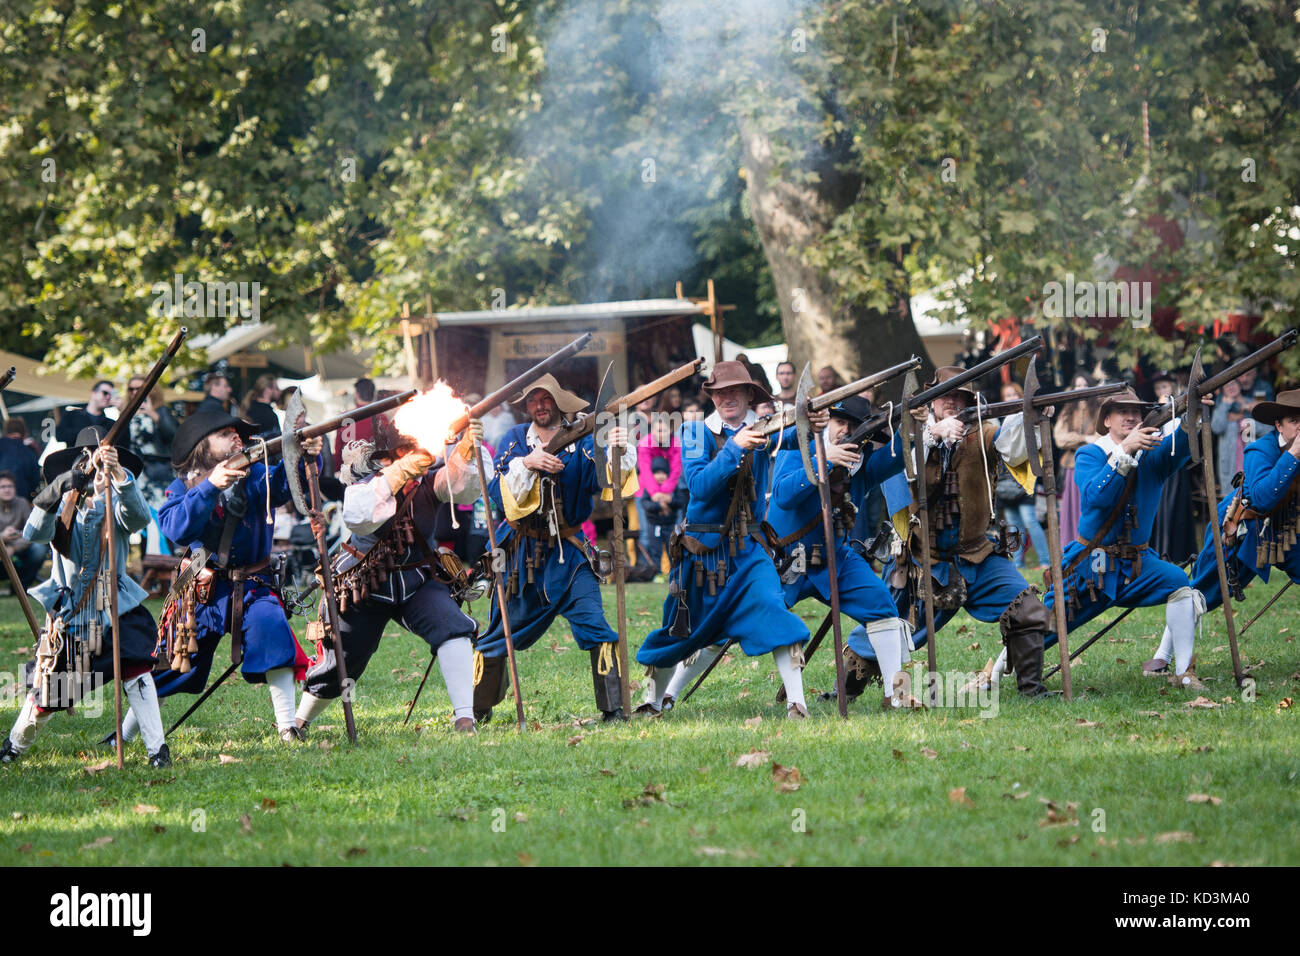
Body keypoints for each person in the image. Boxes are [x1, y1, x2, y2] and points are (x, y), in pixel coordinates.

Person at [847, 366, 1055, 700]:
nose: (953, 402)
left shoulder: (985, 433)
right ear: (931, 400)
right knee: (885, 629)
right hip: (920, 559)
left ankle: (1032, 690)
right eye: (946, 395)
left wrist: (1029, 416)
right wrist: (933, 435)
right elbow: (904, 468)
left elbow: (1013, 443)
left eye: (960, 395)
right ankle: (844, 691)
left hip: (978, 555)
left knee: (1028, 610)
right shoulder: (912, 434)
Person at [635, 361, 825, 718]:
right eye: (720, 392)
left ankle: (797, 703)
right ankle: (653, 700)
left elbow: (800, 445)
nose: (726, 398)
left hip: (749, 552)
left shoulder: (769, 429)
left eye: (734, 391)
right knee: (679, 628)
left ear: (749, 394)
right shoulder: (694, 433)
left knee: (773, 609)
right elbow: (700, 486)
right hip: (701, 552)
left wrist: (812, 427)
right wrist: (735, 447)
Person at [121, 410, 323, 744]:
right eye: (225, 433)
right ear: (203, 446)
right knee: (172, 662)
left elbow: (288, 486)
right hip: (202, 587)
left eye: (237, 433)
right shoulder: (184, 485)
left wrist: (303, 456)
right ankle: (123, 737)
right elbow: (176, 529)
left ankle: (287, 728)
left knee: (272, 631)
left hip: (255, 584)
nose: (237, 438)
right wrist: (210, 487)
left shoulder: (257, 473)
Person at [294, 420, 487, 735]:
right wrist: (401, 472)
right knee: (343, 660)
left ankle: (465, 719)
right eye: (408, 451)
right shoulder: (365, 482)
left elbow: (465, 487)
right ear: (390, 456)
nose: (420, 455)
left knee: (453, 628)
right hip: (364, 585)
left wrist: (467, 449)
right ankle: (299, 722)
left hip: (417, 581)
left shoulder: (431, 480)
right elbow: (359, 518)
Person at [472, 374, 636, 722]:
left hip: (572, 554)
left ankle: (614, 709)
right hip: (522, 557)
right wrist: (529, 463)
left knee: (597, 626)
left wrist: (619, 446)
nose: (540, 406)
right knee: (497, 636)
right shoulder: (514, 440)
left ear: (559, 403)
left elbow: (607, 480)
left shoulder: (586, 438)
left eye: (546, 399)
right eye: (533, 400)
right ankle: (477, 710)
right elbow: (496, 492)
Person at [1, 431, 169, 767]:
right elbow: (33, 533)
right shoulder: (61, 510)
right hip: (73, 617)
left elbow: (139, 517)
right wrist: (57, 488)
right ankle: (14, 747)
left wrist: (119, 474)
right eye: (93, 469)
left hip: (119, 607)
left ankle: (158, 751)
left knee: (138, 670)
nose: (99, 476)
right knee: (51, 694)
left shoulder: (117, 507)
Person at [1032, 388, 1208, 690]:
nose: (1131, 416)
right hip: (1089, 565)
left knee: (1179, 583)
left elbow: (1184, 445)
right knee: (1041, 626)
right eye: (1122, 411)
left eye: (1136, 412)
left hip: (1137, 563)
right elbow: (1096, 499)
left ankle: (1184, 673)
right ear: (1107, 420)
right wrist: (1125, 451)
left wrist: (1195, 412)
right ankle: (992, 677)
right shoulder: (1089, 454)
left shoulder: (1153, 454)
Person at [767, 395, 917, 709]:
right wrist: (824, 459)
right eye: (840, 422)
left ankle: (896, 694)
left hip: (834, 558)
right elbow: (782, 496)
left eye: (853, 426)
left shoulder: (862, 466)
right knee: (765, 615)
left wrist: (914, 418)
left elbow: (899, 454)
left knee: (882, 606)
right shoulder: (799, 448)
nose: (845, 431)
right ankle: (796, 703)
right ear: (829, 422)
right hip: (785, 560)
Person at [1167, 390, 1300, 672]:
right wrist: (1295, 454)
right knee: (1204, 591)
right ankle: (1163, 657)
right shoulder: (1259, 450)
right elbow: (1262, 498)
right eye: (1294, 420)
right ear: (1278, 425)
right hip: (1242, 531)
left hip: (1290, 534)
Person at [996, 382, 1050, 569]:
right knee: (1013, 524)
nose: (1011, 398)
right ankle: (1017, 563)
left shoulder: (1026, 417)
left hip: (1026, 475)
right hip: (1006, 479)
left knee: (1029, 520)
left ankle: (1044, 561)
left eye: (1014, 394)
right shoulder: (1000, 423)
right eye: (1007, 395)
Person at [1148, 370, 1199, 565]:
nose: (1162, 390)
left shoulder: (1182, 412)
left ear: (1173, 387)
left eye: (1165, 386)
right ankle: (1158, 552)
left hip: (1177, 472)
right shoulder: (1153, 413)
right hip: (1159, 470)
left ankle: (1178, 554)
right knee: (1158, 512)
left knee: (1177, 513)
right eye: (1158, 388)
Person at [1053, 373, 1099, 547]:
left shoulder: (1099, 409)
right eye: (1078, 385)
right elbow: (1059, 438)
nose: (1081, 389)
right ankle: (1072, 545)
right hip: (1071, 465)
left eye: (1084, 385)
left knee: (1087, 505)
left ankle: (1089, 543)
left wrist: (1084, 440)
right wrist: (1084, 438)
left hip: (1092, 464)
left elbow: (1100, 437)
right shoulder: (1068, 410)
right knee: (1070, 508)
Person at [122, 375, 180, 508]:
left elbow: (174, 435)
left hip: (158, 470)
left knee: (161, 510)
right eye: (131, 389)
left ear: (151, 390)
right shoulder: (127, 412)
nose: (135, 392)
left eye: (139, 388)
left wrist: (153, 414)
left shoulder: (161, 410)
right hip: (135, 472)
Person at [637, 414, 682, 578]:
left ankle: (675, 570)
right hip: (647, 492)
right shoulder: (645, 444)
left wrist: (666, 492)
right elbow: (645, 470)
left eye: (664, 430)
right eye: (658, 430)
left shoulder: (675, 443)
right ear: (653, 430)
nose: (661, 433)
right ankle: (650, 571)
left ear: (670, 430)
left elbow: (676, 469)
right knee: (647, 533)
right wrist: (656, 493)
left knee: (674, 533)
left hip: (670, 492)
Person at [0, 471, 48, 589]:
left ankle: (21, 587)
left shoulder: (22, 503)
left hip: (20, 549)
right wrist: (3, 537)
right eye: (3, 487)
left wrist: (13, 547)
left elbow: (32, 533)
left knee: (39, 549)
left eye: (10, 486)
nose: (7, 490)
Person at [55, 381, 128, 448]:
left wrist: (122, 411)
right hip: (74, 459)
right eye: (105, 393)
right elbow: (60, 435)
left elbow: (124, 442)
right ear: (93, 393)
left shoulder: (111, 423)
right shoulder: (71, 415)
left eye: (110, 395)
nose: (108, 397)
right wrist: (91, 433)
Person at [0, 418, 41, 500]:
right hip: (21, 499)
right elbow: (35, 480)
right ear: (23, 432)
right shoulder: (30, 451)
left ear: (6, 431)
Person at [240, 373, 282, 442]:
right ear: (267, 390)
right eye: (277, 388)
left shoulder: (250, 408)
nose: (280, 392)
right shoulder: (269, 415)